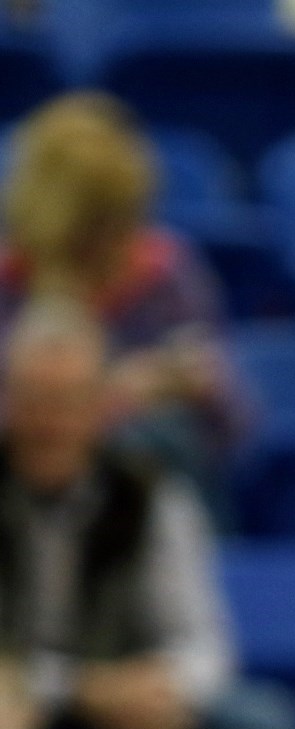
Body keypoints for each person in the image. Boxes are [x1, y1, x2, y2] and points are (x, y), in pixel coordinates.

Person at [0, 298, 295, 729]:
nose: (50, 424)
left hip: (131, 710)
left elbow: (206, 646)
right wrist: (78, 688)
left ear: (100, 407)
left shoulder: (154, 497)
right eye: (35, 401)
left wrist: (162, 688)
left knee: (262, 725)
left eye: (67, 402)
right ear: (10, 404)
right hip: (13, 711)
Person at [0, 93, 250, 524]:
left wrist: (197, 385)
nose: (108, 247)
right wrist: (100, 400)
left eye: (119, 224)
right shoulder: (8, 285)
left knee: (162, 437)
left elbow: (232, 430)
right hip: (17, 512)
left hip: (146, 508)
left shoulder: (168, 280)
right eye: (89, 232)